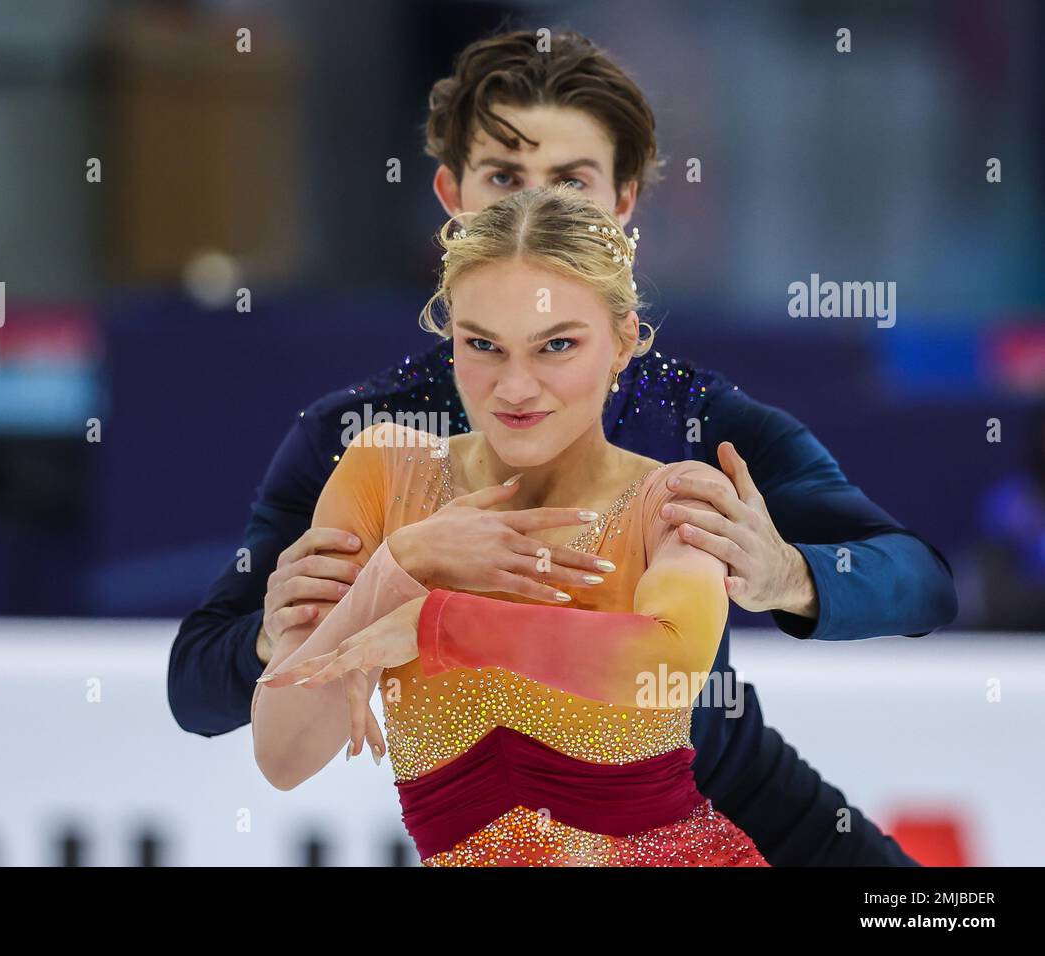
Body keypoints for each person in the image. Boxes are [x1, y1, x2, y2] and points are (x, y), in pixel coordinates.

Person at [170, 29, 957, 866]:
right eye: (505, 179)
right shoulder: (361, 442)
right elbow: (202, 689)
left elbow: (921, 583)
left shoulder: (701, 425)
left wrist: (788, 574)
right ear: (450, 196)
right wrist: (298, 621)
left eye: (571, 184)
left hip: (738, 807)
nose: (533, 210)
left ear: (621, 209)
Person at [255, 187, 770, 865]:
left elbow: (668, 666)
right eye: (483, 346)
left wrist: (437, 625)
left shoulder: (673, 497)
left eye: (556, 345)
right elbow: (284, 756)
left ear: (623, 340)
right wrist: (395, 569)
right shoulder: (384, 473)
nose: (516, 387)